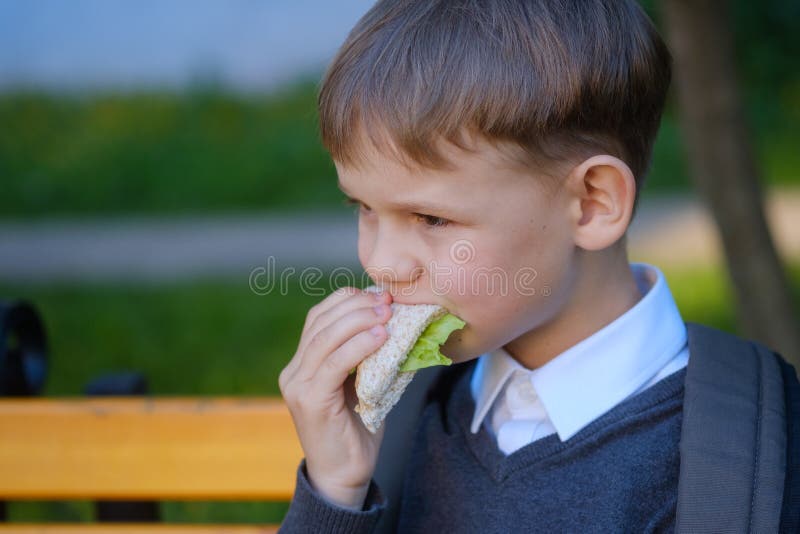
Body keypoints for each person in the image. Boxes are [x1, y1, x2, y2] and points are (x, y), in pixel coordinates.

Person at [277, 1, 799, 532]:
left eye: (431, 218)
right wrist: (336, 492)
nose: (381, 264)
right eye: (363, 208)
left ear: (593, 203)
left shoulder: (748, 474)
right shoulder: (404, 422)